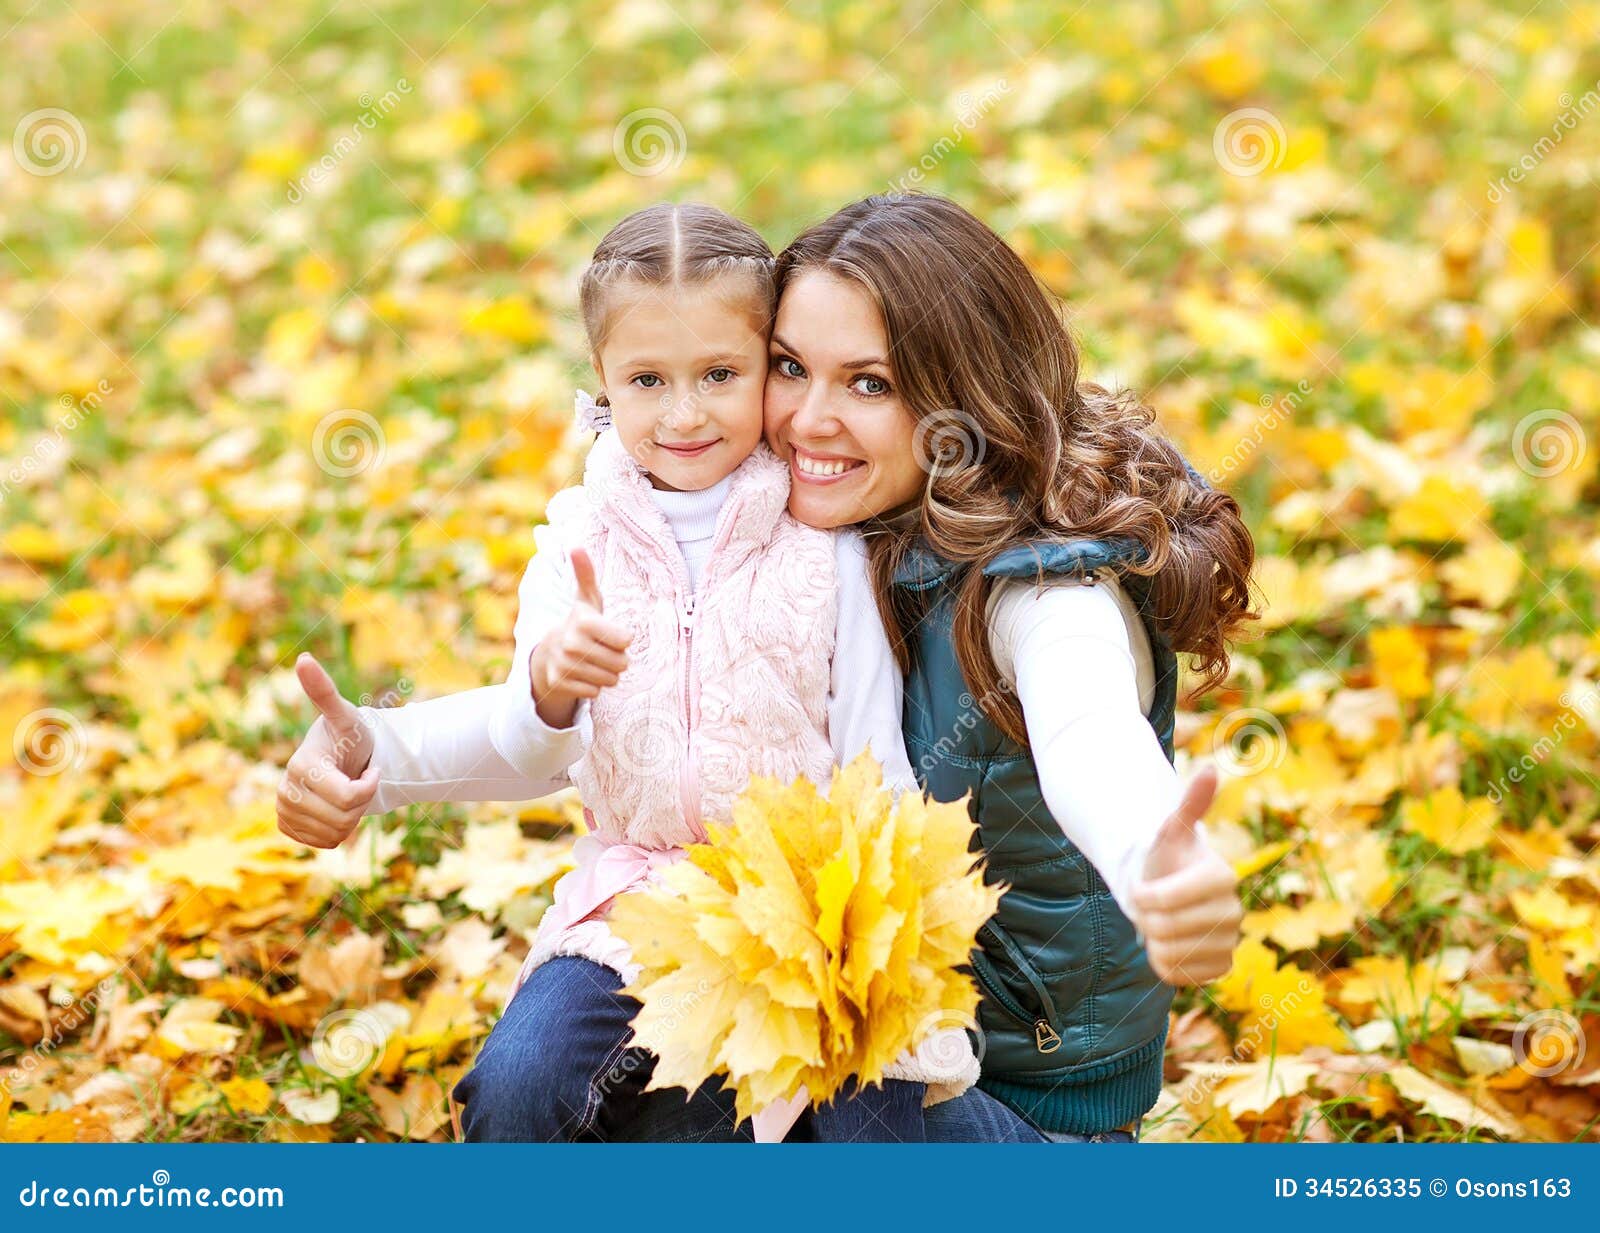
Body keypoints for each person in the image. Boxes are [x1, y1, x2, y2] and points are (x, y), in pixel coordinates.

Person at [277, 201, 976, 1143]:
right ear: (602, 380)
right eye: (648, 379)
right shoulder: (576, 543)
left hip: (806, 921)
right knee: (517, 1090)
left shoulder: (821, 545)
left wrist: (900, 960)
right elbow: (533, 752)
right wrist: (548, 686)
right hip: (630, 903)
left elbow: (872, 750)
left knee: (864, 1136)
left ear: (764, 365)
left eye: (721, 375)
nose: (685, 413)